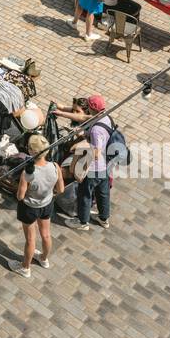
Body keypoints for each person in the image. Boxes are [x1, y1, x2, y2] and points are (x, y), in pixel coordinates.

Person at [53, 95, 113, 231]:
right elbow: (83, 118)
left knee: (84, 194)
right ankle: (104, 218)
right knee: (103, 193)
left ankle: (82, 222)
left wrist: (81, 145)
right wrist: (62, 113)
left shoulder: (97, 130)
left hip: (93, 167)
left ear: (91, 108)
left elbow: (96, 153)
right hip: (104, 166)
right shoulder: (105, 117)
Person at [7, 134, 64, 276]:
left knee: (30, 239)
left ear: (32, 151)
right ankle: (44, 259)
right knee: (46, 234)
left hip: (29, 208)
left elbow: (20, 196)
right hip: (47, 204)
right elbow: (61, 189)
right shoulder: (55, 166)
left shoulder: (28, 173)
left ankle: (25, 267)